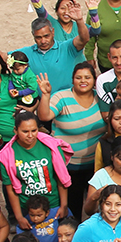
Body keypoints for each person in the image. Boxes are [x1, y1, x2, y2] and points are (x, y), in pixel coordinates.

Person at [37, 62, 105, 211]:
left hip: (97, 166)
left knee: (97, 207)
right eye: (78, 77)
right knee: (73, 208)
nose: (83, 81)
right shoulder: (62, 97)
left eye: (87, 77)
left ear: (94, 79)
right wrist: (46, 95)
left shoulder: (100, 97)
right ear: (72, 79)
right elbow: (44, 116)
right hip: (69, 166)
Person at [0, 111, 72, 230]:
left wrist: (64, 205)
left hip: (54, 204)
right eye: (25, 131)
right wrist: (19, 217)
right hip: (28, 210)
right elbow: (10, 190)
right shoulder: (7, 155)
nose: (30, 135)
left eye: (34, 130)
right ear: (15, 130)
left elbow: (61, 178)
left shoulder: (51, 147)